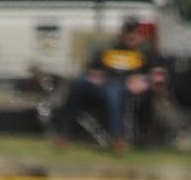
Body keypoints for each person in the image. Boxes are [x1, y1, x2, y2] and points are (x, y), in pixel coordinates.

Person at [51, 17, 163, 153]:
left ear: (141, 35)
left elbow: (158, 76)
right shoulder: (108, 48)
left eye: (136, 33)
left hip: (128, 89)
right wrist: (95, 77)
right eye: (128, 32)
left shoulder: (146, 52)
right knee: (78, 83)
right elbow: (92, 71)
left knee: (113, 92)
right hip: (104, 84)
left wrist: (145, 81)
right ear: (122, 33)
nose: (131, 36)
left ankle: (117, 139)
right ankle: (62, 133)